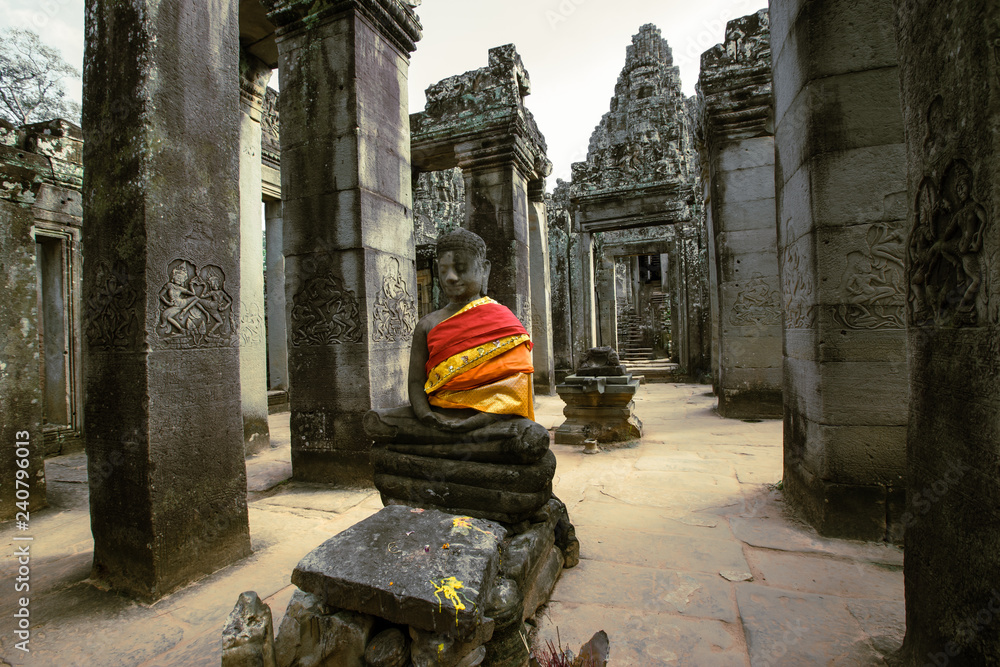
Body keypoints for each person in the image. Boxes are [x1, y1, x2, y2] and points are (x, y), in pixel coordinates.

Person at [408, 227, 535, 433]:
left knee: (530, 435)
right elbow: (415, 382)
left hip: (492, 419)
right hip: (437, 417)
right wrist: (426, 415)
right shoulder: (427, 324)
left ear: (484, 269)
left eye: (460, 268)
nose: (450, 277)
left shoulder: (503, 320)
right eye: (443, 270)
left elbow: (517, 387)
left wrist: (476, 421)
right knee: (379, 419)